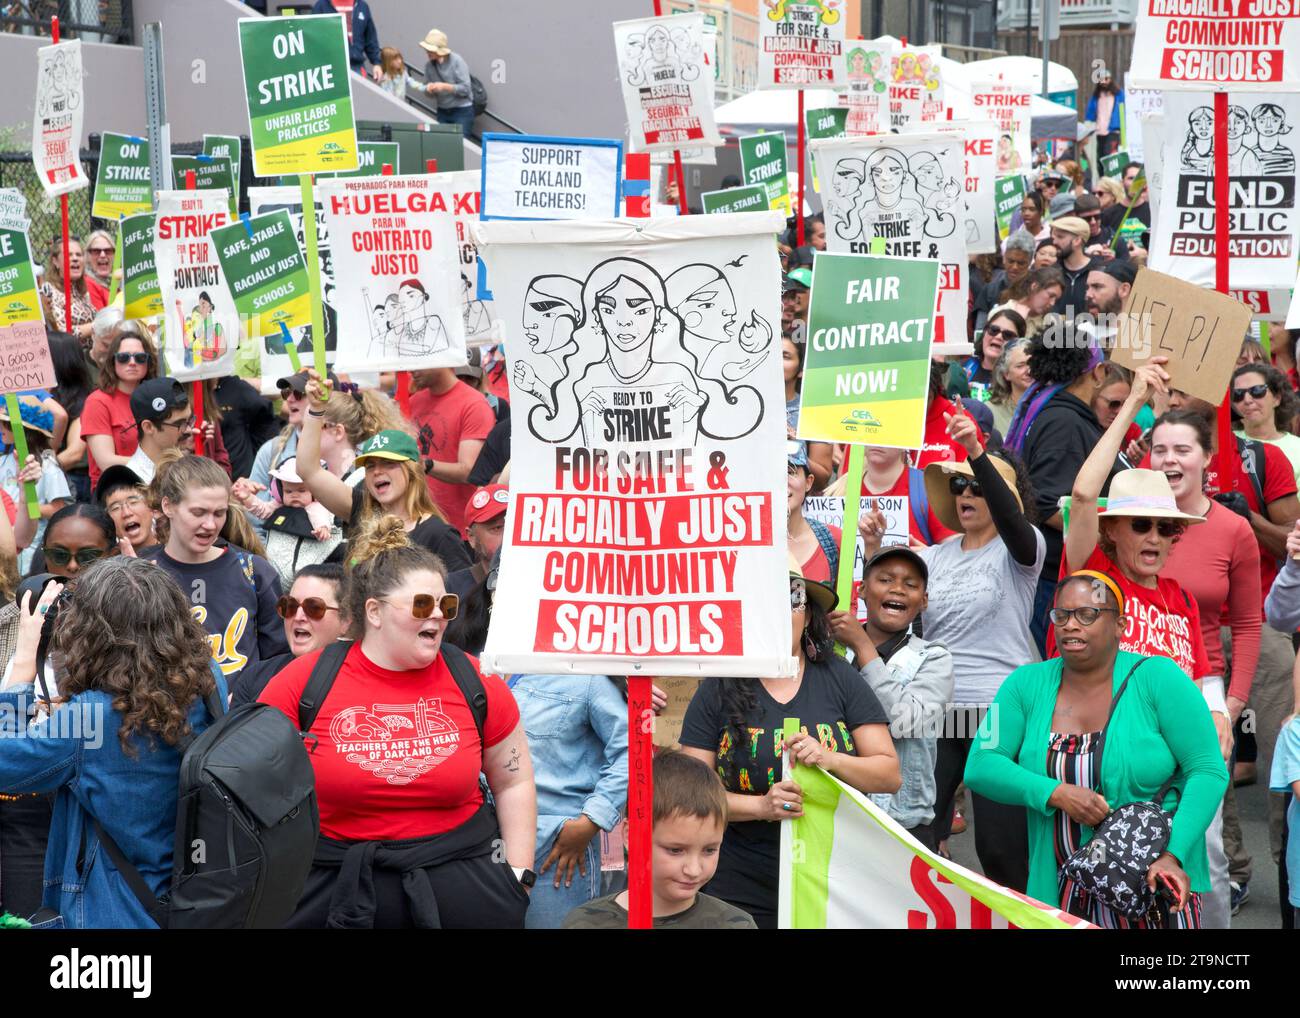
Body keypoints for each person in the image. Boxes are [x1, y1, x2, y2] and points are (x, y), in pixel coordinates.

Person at [259, 515, 536, 928]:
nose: (439, 616)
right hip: (336, 887)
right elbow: (252, 781)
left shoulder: (475, 681)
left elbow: (514, 781)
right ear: (374, 611)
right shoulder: (306, 680)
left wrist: (518, 877)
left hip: (461, 889)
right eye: (422, 605)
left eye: (447, 605)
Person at [965, 572, 1228, 927]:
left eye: (1088, 615)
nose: (1072, 625)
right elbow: (981, 764)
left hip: (1146, 883)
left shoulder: (1160, 678)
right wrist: (1056, 792)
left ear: (1120, 624)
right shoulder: (1024, 684)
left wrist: (1173, 855)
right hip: (1058, 888)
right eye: (1062, 615)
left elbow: (1208, 769)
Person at [0, 558, 225, 928]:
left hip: (110, 909)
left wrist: (25, 657)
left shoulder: (91, 718)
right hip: (183, 895)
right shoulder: (205, 677)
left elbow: (7, 766)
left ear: (90, 630)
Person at [678, 565, 900, 928]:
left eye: (792, 603)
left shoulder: (839, 677)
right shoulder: (719, 685)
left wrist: (831, 759)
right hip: (742, 878)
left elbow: (889, 774)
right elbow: (692, 795)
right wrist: (762, 806)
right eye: (768, 603)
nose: (780, 615)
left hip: (834, 874)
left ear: (808, 613)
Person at [0, 502, 121, 921]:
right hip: (22, 821)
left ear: (114, 556)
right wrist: (24, 657)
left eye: (88, 557)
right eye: (58, 556)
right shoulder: (17, 625)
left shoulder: (131, 640)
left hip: (91, 828)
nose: (72, 569)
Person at [826, 546, 953, 851]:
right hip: (836, 814)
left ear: (923, 601)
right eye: (885, 580)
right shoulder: (832, 654)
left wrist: (863, 646)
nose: (897, 588)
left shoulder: (934, 658)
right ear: (862, 590)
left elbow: (905, 721)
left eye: (910, 584)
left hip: (903, 823)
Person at [1005, 330, 1114, 651]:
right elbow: (1046, 504)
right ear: (1097, 372)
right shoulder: (1064, 422)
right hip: (1056, 580)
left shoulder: (1056, 413)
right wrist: (1108, 538)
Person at [296, 373, 472, 571]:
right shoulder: (362, 511)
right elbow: (308, 470)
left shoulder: (438, 534)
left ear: (412, 470)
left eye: (388, 463)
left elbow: (461, 595)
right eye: (370, 465)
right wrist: (316, 410)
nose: (377, 472)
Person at [562, 751, 754, 929]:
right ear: (632, 836)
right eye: (675, 850)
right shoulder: (586, 923)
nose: (694, 870)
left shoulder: (736, 924)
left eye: (709, 850)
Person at [142, 453, 288, 685]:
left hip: (240, 716)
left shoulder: (253, 571)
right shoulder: (142, 572)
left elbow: (279, 659)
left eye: (219, 513)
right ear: (168, 506)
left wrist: (246, 698)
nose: (210, 525)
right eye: (198, 513)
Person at [511, 668, 628, 929]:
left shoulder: (589, 678)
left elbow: (631, 751)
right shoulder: (483, 667)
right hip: (492, 846)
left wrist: (590, 821)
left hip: (558, 851)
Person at [230, 562, 347, 707]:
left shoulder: (361, 682)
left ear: (346, 620)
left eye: (314, 608)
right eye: (290, 606)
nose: (298, 617)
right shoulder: (255, 677)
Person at [408, 366, 496, 535]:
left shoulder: (473, 404)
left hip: (458, 530)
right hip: (417, 524)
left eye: (420, 363)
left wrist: (425, 464)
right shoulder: (414, 402)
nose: (412, 370)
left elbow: (468, 471)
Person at [243, 458, 342, 588]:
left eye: (302, 491)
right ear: (278, 490)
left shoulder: (316, 507)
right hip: (275, 572)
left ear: (315, 491)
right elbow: (262, 510)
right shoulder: (278, 506)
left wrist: (322, 530)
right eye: (288, 491)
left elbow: (321, 519)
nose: (295, 495)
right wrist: (248, 498)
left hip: (307, 578)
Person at [81, 329, 158, 490]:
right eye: (123, 357)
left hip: (154, 489)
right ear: (112, 361)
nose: (132, 362)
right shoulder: (97, 401)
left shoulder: (155, 400)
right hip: (115, 491)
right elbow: (106, 461)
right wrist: (158, 463)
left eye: (140, 357)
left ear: (148, 362)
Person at [0, 397, 72, 569]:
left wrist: (17, 507)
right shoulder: (2, 461)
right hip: (5, 545)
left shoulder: (48, 465)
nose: (1, 428)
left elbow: (58, 508)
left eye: (6, 423)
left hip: (34, 546)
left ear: (24, 430)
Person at [1231, 362, 1300, 483]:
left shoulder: (1297, 447)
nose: (1247, 400)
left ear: (1277, 398)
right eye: (1238, 394)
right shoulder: (1224, 442)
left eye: (1257, 390)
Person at [121, 377, 193, 486]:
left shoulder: (188, 468)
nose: (189, 430)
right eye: (180, 423)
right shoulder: (133, 483)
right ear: (148, 427)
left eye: (190, 421)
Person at [48, 331, 93, 503]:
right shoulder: (43, 395)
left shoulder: (85, 401)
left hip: (73, 481)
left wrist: (41, 472)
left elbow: (74, 453)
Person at [782, 338, 832, 490]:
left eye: (785, 356)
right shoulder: (744, 407)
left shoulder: (813, 412)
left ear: (801, 370)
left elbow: (822, 479)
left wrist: (794, 446)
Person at [787, 442, 839, 584]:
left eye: (790, 471)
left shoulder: (834, 540)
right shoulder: (743, 546)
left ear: (808, 482)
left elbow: (849, 604)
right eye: (771, 472)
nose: (781, 481)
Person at [445, 484, 507, 601]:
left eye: (515, 525)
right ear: (472, 537)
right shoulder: (452, 589)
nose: (507, 536)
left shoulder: (539, 584)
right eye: (497, 528)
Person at [215, 375, 281, 482]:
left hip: (239, 478)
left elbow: (266, 414)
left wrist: (257, 452)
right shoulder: (186, 386)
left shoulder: (234, 387)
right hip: (201, 476)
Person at [40, 237, 102, 342]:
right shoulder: (49, 291)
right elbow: (62, 334)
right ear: (55, 262)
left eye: (79, 255)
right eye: (69, 255)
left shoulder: (82, 292)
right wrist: (97, 326)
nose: (75, 258)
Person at [420, 28, 476, 137]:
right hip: (442, 111)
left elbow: (466, 89)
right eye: (427, 49)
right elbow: (425, 90)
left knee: (461, 146)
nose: (427, 52)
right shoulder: (429, 66)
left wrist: (445, 87)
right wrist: (429, 89)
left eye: (430, 50)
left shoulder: (456, 61)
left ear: (439, 50)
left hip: (462, 111)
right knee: (443, 146)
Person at [962, 309, 1025, 403]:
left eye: (1008, 335)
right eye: (994, 330)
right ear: (984, 332)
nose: (999, 337)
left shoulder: (1020, 378)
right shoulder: (962, 368)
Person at [310, 0, 381, 78]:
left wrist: (377, 63)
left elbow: (370, 38)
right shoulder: (321, 6)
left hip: (356, 67)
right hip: (329, 68)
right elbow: (312, 38)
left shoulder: (362, 6)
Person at [96, 464, 156, 555]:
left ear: (151, 506)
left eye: (133, 502)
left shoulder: (176, 551)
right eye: (115, 508)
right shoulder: (108, 566)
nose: (126, 513)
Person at [1048, 217, 1096, 317]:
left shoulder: (1098, 272)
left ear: (1077, 240)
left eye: (1060, 237)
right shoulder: (1051, 273)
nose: (1054, 242)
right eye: (1054, 238)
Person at [988, 338, 1033, 436]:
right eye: (1020, 366)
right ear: (1006, 374)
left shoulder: (1050, 407)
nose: (1029, 371)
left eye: (1032, 364)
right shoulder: (990, 411)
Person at [1087, 72, 1125, 156]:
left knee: (1109, 154)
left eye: (1106, 79)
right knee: (1100, 156)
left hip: (1113, 129)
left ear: (1110, 80)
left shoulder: (1118, 95)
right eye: (1101, 80)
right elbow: (1091, 111)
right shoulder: (1096, 96)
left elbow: (1124, 109)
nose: (1103, 82)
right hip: (1100, 129)